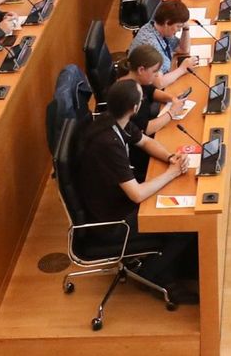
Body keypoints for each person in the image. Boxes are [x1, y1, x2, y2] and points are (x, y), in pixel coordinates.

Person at [76, 79, 201, 303]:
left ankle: (182, 269)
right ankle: (152, 274)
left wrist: (171, 158)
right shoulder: (108, 143)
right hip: (112, 223)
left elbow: (144, 142)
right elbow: (137, 194)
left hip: (117, 202)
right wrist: (172, 173)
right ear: (134, 108)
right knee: (184, 222)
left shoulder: (114, 120)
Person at [115, 44, 193, 137]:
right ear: (141, 70)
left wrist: (172, 98)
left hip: (151, 117)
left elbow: (151, 92)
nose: (157, 75)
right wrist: (172, 112)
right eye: (155, 71)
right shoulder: (129, 95)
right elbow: (145, 130)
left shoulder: (135, 76)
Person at [130, 0, 201, 88]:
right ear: (167, 23)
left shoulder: (158, 28)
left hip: (167, 72)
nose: (179, 30)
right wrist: (182, 69)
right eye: (178, 26)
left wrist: (186, 29)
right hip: (144, 89)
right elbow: (159, 83)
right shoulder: (151, 44)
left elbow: (183, 49)